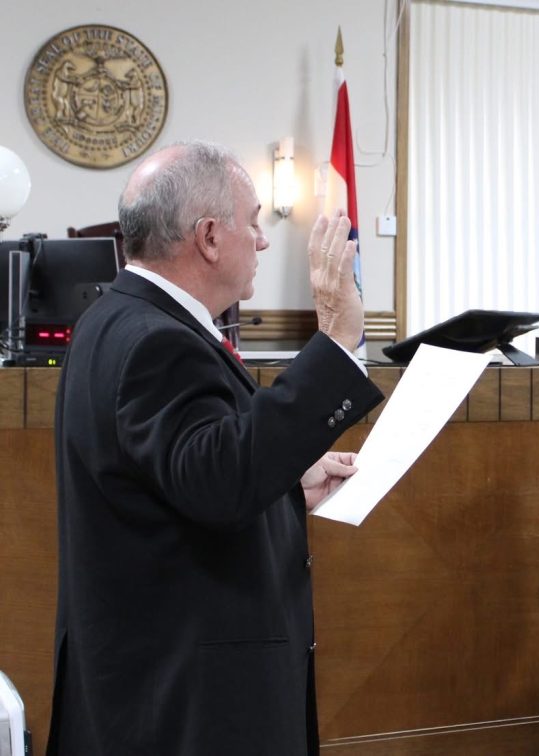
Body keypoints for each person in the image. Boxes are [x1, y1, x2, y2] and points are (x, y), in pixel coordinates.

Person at [47, 141, 384, 756]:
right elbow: (220, 483)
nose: (262, 240)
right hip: (185, 702)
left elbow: (181, 475)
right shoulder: (157, 341)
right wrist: (337, 339)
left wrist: (289, 484)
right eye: (252, 222)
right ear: (207, 237)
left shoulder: (112, 317)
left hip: (145, 684)